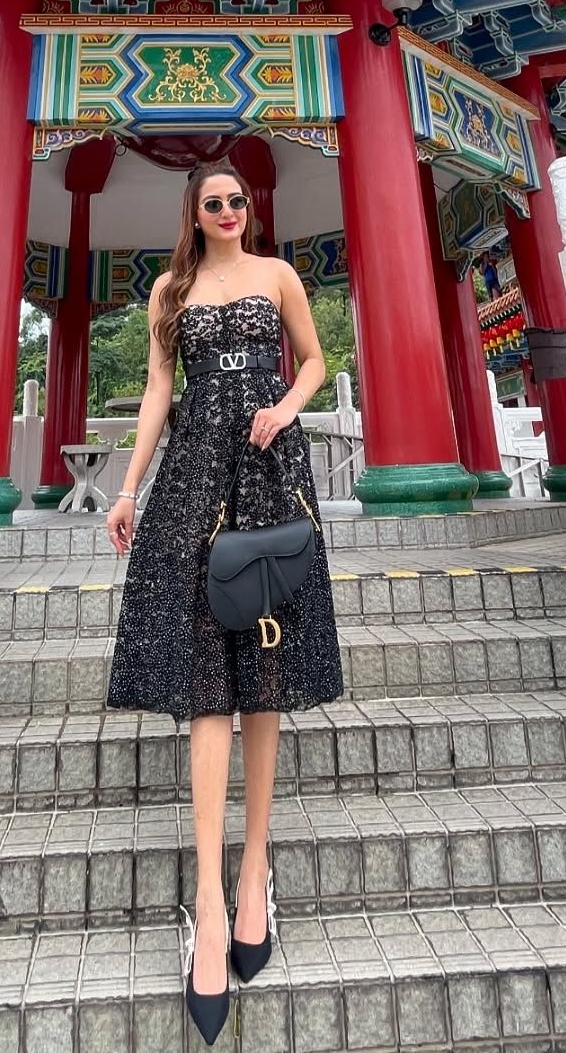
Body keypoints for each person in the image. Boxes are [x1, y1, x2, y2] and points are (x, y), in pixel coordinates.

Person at [105, 161, 342, 1045]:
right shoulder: (170, 290)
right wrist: (128, 488)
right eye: (216, 202)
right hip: (194, 476)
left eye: (240, 199)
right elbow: (158, 393)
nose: (231, 210)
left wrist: (286, 405)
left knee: (266, 668)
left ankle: (254, 874)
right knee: (207, 677)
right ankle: (208, 899)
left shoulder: (278, 275)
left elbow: (315, 362)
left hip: (270, 469)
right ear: (195, 214)